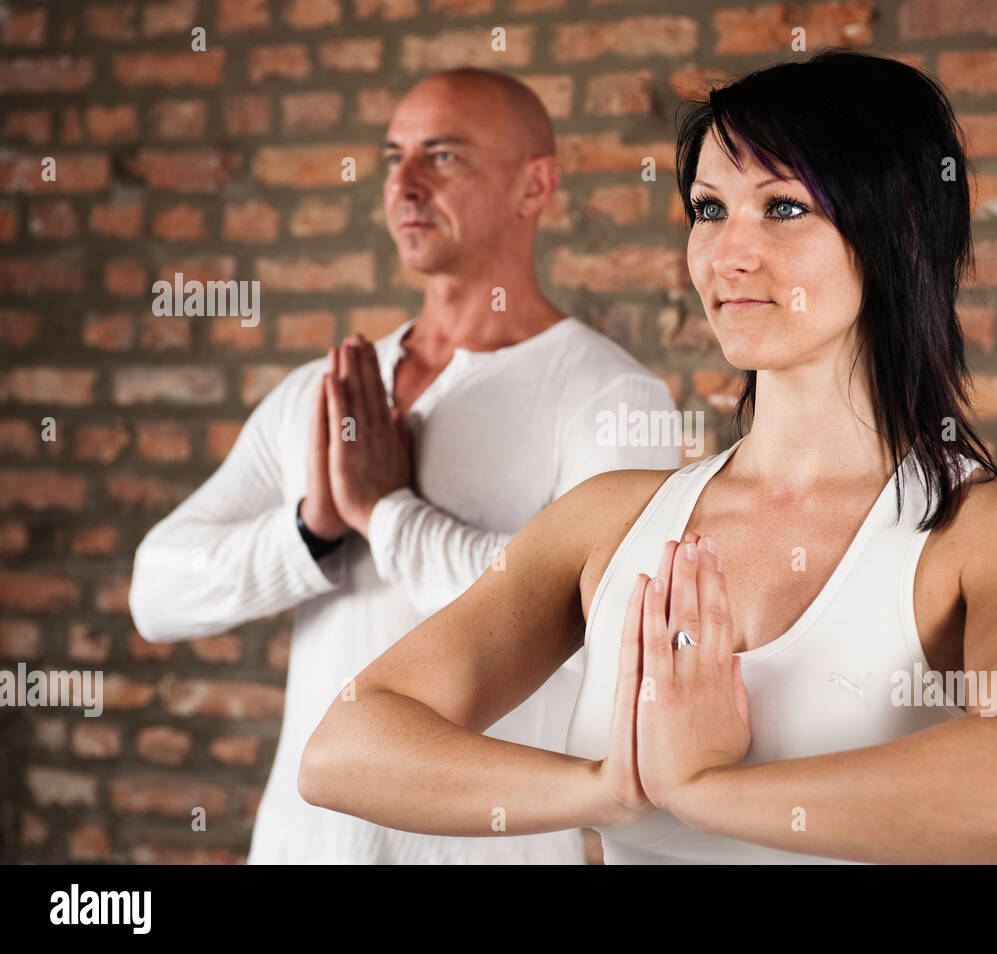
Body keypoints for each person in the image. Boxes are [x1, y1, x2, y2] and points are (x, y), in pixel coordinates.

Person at [298, 50, 997, 864]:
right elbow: (343, 745)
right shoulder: (607, 519)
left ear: (897, 229)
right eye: (708, 209)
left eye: (782, 208)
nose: (727, 253)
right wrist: (607, 789)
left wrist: (699, 790)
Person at [127, 68, 680, 864]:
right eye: (393, 158)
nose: (404, 184)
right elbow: (156, 593)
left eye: (443, 156)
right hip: (302, 844)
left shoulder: (607, 394)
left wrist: (386, 511)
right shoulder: (324, 394)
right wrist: (314, 529)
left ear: (536, 186)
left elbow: (598, 635)